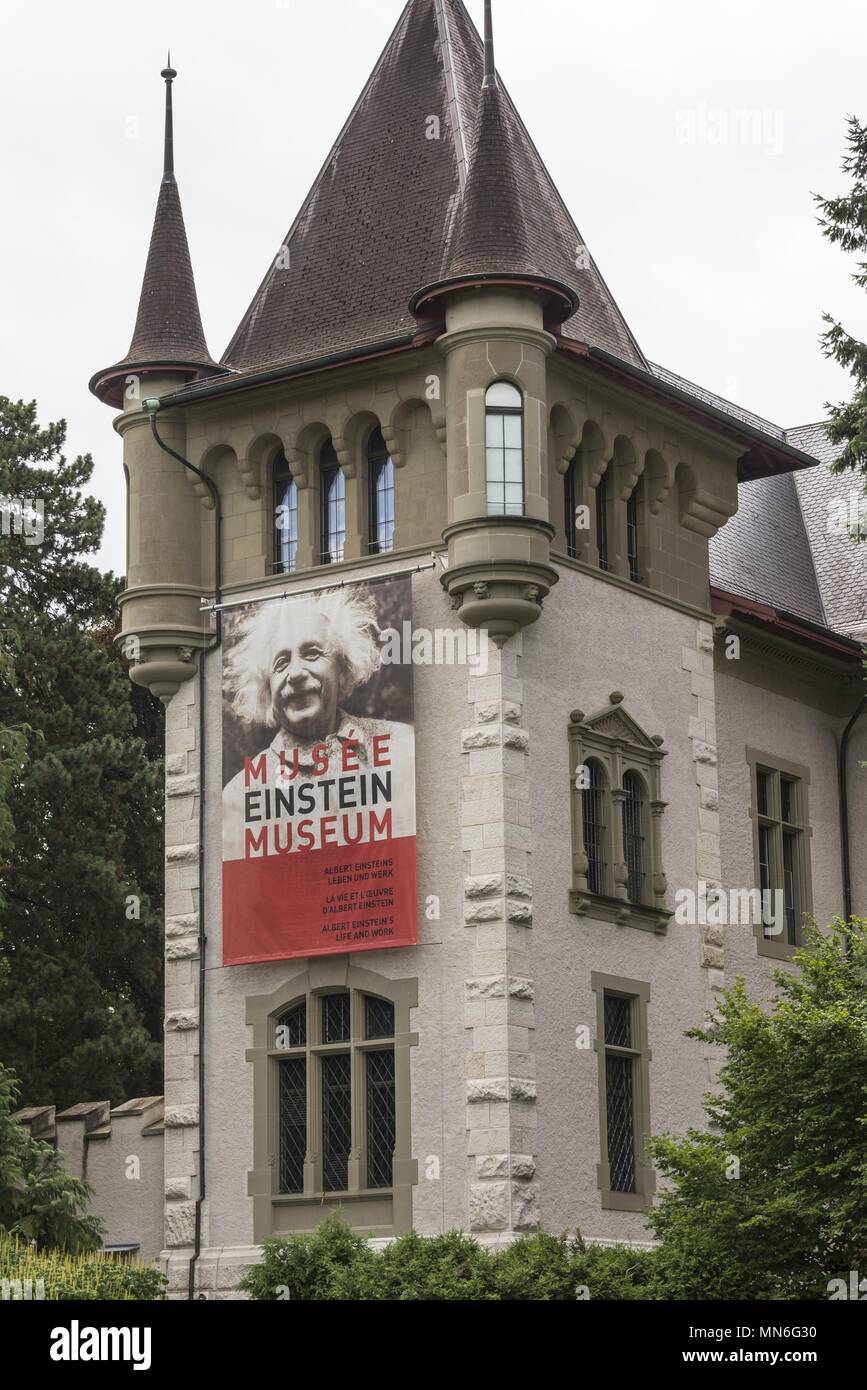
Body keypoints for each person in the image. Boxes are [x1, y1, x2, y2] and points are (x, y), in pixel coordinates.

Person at [222, 587, 414, 861]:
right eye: (281, 663)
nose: (296, 673)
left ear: (343, 669)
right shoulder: (239, 797)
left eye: (312, 653)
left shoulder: (402, 748)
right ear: (266, 689)